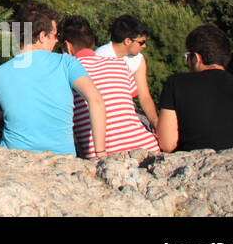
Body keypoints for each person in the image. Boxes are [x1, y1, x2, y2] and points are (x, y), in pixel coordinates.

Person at [0, 1, 107, 157]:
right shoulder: (66, 63)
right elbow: (96, 100)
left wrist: (5, 111)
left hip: (14, 158)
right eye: (54, 35)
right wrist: (100, 153)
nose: (57, 40)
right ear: (41, 37)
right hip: (63, 158)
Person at [157, 25, 233, 153]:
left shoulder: (176, 83)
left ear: (196, 58)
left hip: (204, 165)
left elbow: (168, 144)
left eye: (187, 57)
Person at [59, 15, 160, 158]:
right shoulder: (120, 64)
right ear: (93, 42)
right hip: (145, 146)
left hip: (103, 154)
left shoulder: (66, 74)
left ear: (68, 47)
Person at [95, 15, 158, 132]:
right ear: (128, 41)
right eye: (141, 42)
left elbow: (144, 96)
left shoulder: (138, 59)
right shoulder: (99, 57)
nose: (145, 46)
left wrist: (155, 121)